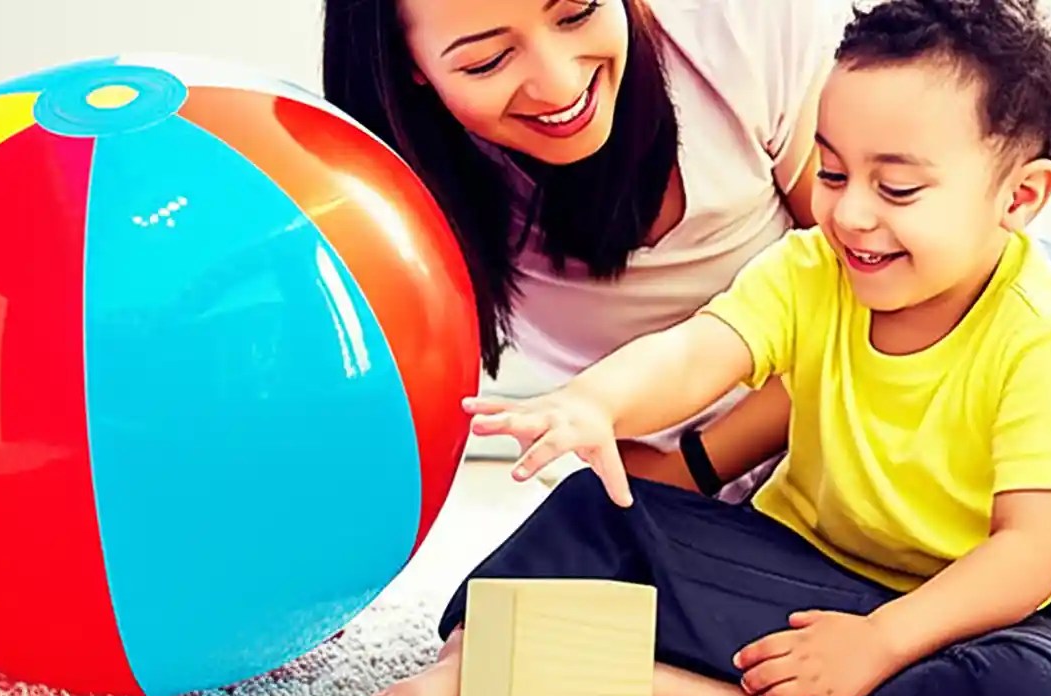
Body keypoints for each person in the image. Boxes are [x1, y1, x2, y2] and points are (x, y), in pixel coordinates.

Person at [352, 0, 1051, 696]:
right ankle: (475, 656)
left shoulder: (1046, 335)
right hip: (801, 574)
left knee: (1046, 686)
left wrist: (879, 642)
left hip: (959, 615)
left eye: (896, 188)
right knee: (601, 509)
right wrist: (597, 401)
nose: (850, 214)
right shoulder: (811, 270)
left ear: (1020, 199)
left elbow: (1029, 552)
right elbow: (698, 352)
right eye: (830, 173)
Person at [322, 0, 851, 501]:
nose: (561, 84)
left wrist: (693, 468)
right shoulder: (394, 188)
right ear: (408, 61)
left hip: (863, 439)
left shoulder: (740, 28)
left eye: (578, 12)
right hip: (652, 481)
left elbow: (884, 306)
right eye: (488, 61)